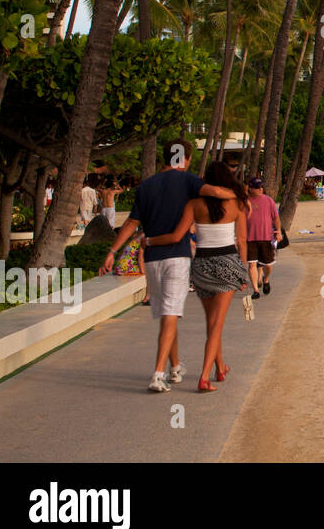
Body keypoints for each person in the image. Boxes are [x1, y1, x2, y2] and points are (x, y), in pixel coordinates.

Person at [99, 137, 236, 392]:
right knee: (170, 313)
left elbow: (130, 223)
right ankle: (158, 374)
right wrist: (237, 193)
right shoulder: (190, 181)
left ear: (165, 157)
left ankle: (175, 368)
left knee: (166, 314)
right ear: (186, 159)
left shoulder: (146, 186)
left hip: (151, 258)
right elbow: (216, 193)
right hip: (177, 256)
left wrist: (112, 251)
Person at [142, 161, 251, 393]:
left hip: (201, 264)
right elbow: (241, 241)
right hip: (226, 261)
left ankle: (220, 367)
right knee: (217, 324)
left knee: (211, 321)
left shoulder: (194, 203)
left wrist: (150, 241)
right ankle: (204, 377)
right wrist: (243, 272)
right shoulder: (237, 204)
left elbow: (176, 236)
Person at [245, 178, 281, 298]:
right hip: (250, 238)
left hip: (266, 237)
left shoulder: (268, 200)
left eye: (261, 187)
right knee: (252, 264)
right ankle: (255, 290)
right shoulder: (244, 202)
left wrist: (279, 231)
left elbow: (276, 218)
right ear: (250, 188)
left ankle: (266, 279)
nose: (260, 189)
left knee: (268, 265)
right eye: (257, 187)